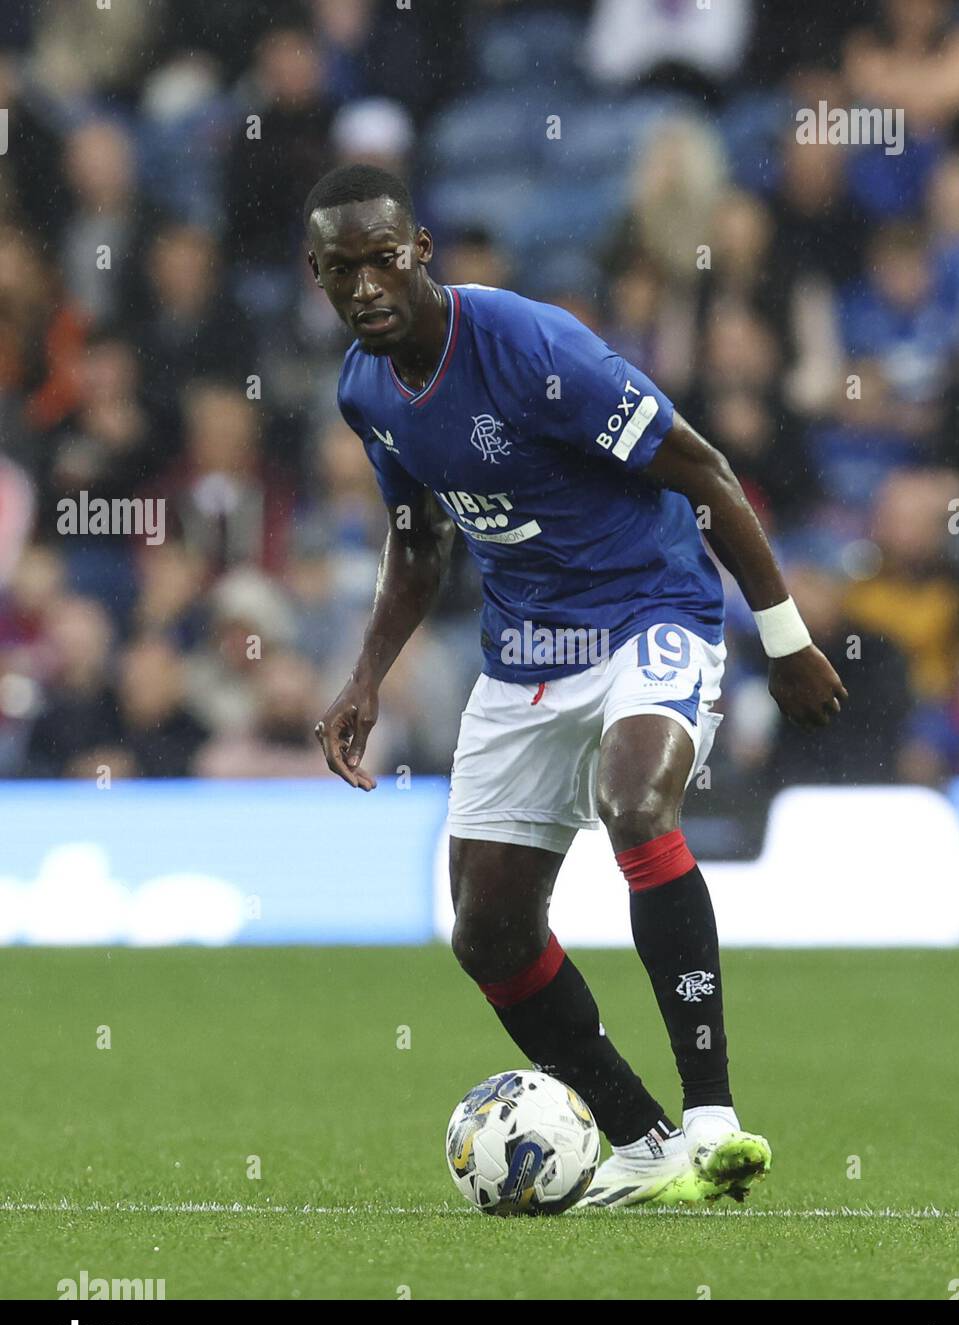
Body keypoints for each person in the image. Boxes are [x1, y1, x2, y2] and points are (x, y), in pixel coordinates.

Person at [307, 165, 847, 1209]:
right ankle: (645, 1144)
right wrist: (366, 677)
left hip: (652, 607)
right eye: (343, 270)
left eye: (384, 258)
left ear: (419, 251)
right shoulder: (364, 390)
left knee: (636, 798)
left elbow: (703, 470)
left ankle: (713, 1117)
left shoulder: (532, 347)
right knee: (487, 932)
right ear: (318, 276)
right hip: (526, 654)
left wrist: (785, 639)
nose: (367, 285)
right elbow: (418, 545)